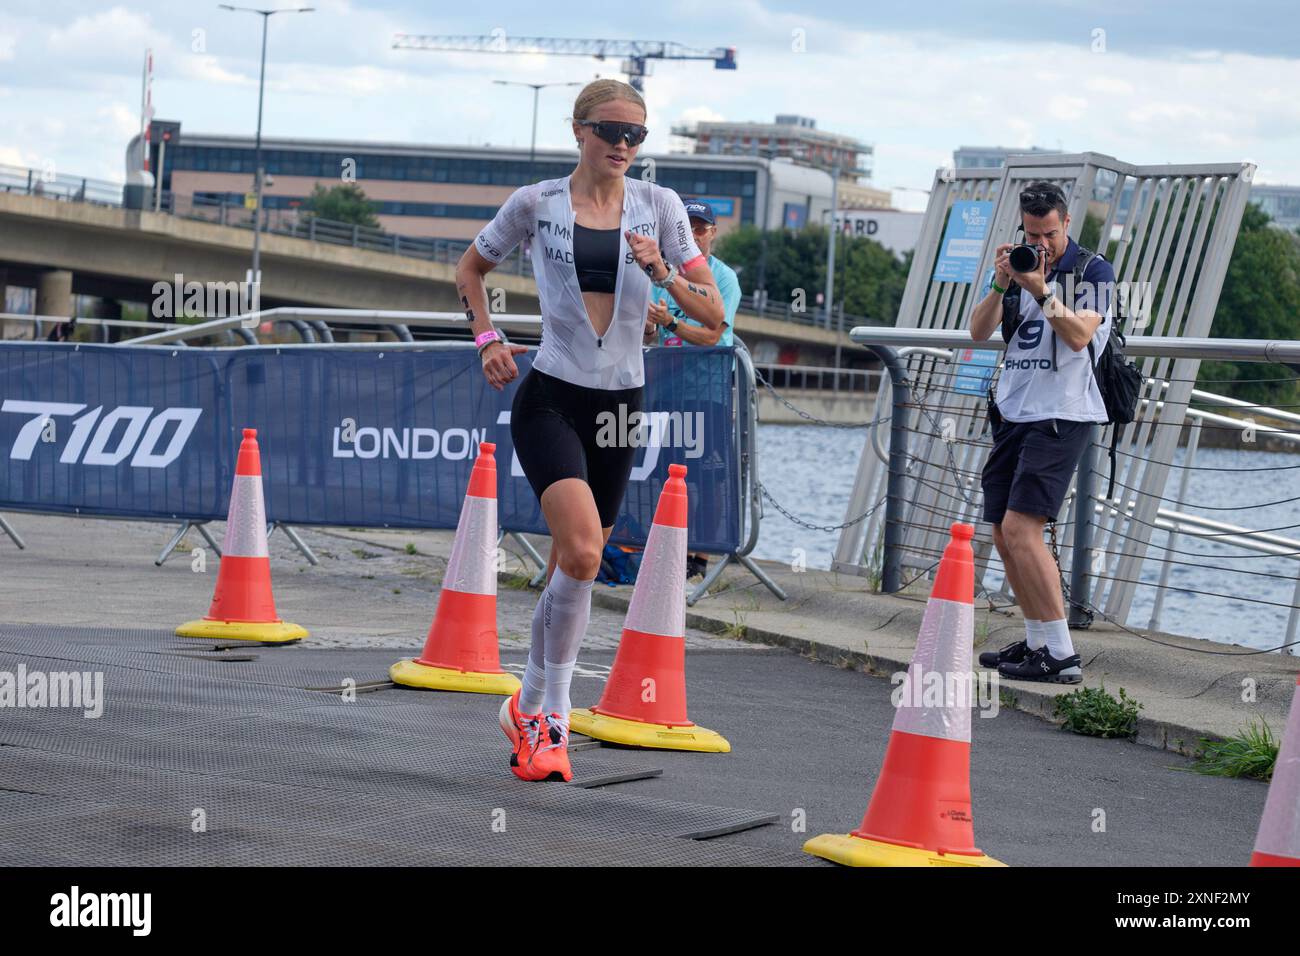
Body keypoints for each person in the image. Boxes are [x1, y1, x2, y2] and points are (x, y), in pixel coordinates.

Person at [455, 79, 723, 782]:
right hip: (550, 395)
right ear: (579, 131)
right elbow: (472, 267)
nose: (624, 145)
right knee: (579, 553)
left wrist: (663, 270)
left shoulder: (659, 207)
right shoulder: (537, 203)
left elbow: (715, 316)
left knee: (575, 564)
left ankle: (528, 705)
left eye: (637, 134)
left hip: (617, 406)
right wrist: (487, 338)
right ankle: (553, 713)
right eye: (610, 130)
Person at [968, 181, 1115, 684]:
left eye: (1050, 233)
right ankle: (1036, 643)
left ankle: (1063, 655)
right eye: (1033, 233)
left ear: (1067, 223)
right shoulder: (1020, 264)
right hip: (1013, 410)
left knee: (1022, 530)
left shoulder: (1091, 271)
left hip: (1062, 413)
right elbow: (978, 332)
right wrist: (1000, 281)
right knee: (1001, 533)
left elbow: (1078, 337)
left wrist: (1041, 289)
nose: (1043, 243)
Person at [643, 199, 740, 579]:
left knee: (707, 476)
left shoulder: (723, 278)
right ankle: (668, 550)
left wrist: (669, 325)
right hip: (666, 391)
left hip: (708, 392)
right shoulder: (661, 278)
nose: (695, 235)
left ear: (713, 232)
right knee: (665, 474)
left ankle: (698, 557)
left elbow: (714, 335)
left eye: (701, 228)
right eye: (689, 227)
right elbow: (649, 334)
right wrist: (651, 329)